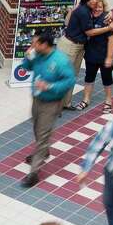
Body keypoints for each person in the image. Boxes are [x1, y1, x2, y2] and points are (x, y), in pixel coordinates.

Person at [18, 31, 77, 188]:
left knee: (43, 134)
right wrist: (27, 57)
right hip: (37, 98)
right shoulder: (37, 54)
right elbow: (26, 67)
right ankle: (43, 151)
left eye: (36, 43)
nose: (33, 46)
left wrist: (50, 86)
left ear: (45, 44)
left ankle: (33, 173)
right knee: (37, 128)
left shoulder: (60, 61)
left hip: (51, 102)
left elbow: (70, 80)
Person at [60, 0, 99, 109]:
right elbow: (89, 32)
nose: (95, 1)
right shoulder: (83, 11)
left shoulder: (87, 10)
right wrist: (108, 28)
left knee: (72, 75)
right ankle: (54, 106)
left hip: (79, 46)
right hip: (70, 45)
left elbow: (103, 9)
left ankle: (66, 103)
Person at [79, 0, 113, 112]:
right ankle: (86, 99)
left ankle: (108, 101)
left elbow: (112, 40)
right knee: (89, 77)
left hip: (105, 55)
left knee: (106, 78)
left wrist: (109, 57)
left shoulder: (107, 19)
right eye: (95, 7)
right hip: (91, 54)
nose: (97, 9)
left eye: (100, 7)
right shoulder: (87, 17)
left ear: (103, 7)